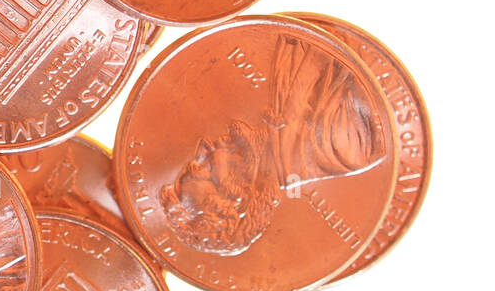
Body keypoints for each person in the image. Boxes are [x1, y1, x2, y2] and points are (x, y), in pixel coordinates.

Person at [160, 34, 388, 256]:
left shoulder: (281, 129)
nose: (203, 147)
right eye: (207, 170)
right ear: (240, 198)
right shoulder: (337, 147)